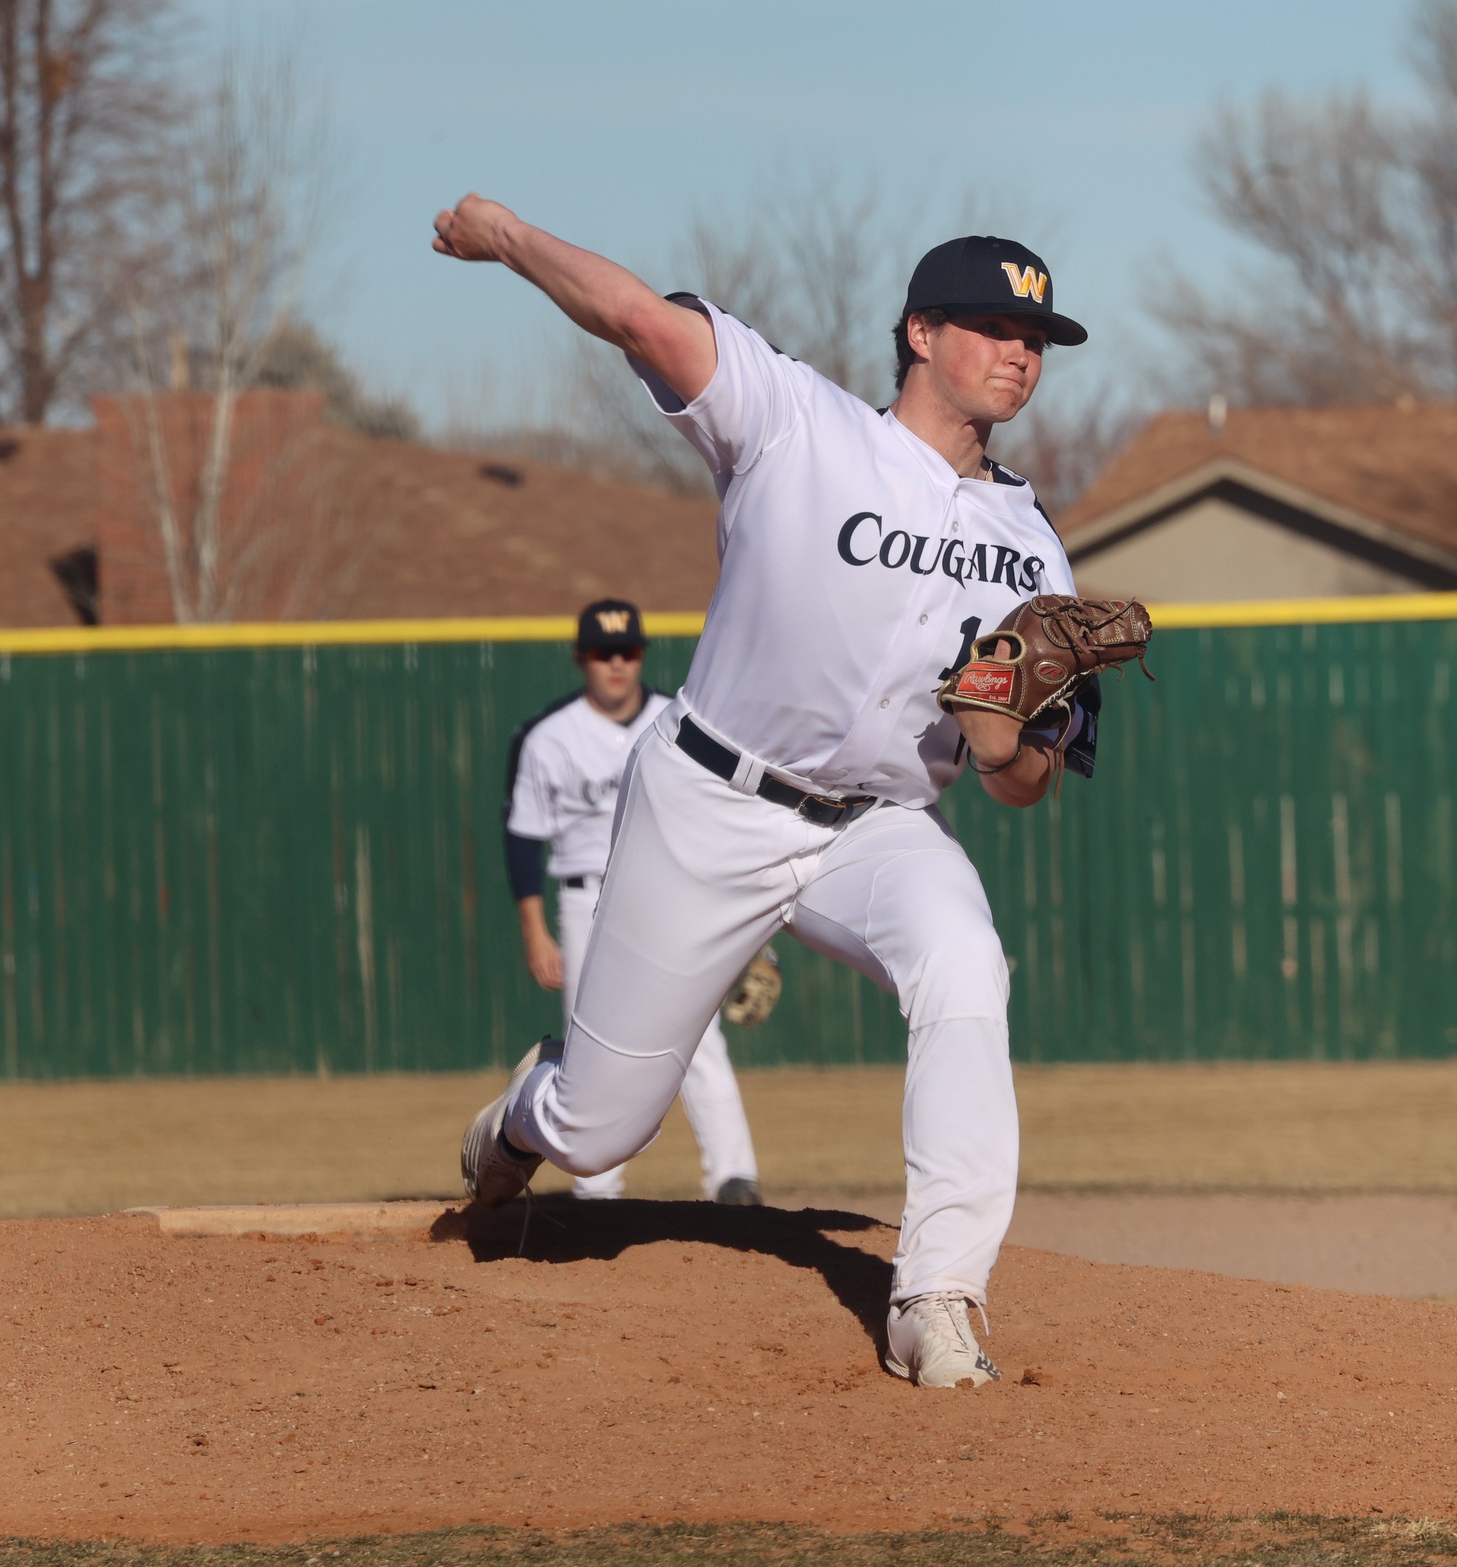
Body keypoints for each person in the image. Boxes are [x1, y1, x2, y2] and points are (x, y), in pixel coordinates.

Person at [435, 194, 1100, 1389]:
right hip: (710, 801)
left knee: (963, 961)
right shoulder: (799, 421)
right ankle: (519, 1120)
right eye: (995, 326)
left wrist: (1003, 746)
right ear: (917, 332)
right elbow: (639, 316)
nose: (1020, 353)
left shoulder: (1035, 550)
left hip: (881, 825)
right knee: (604, 1123)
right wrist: (508, 239)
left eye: (1037, 340)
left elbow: (1028, 785)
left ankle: (937, 1296)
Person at [503, 598, 763, 1205]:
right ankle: (597, 1194)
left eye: (628, 651)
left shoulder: (679, 724)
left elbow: (725, 822)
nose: (617, 664)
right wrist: (534, 932)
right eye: (603, 652)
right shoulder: (549, 737)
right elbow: (521, 837)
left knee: (698, 1037)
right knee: (586, 1046)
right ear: (581, 659)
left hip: (668, 898)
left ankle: (734, 1178)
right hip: (582, 900)